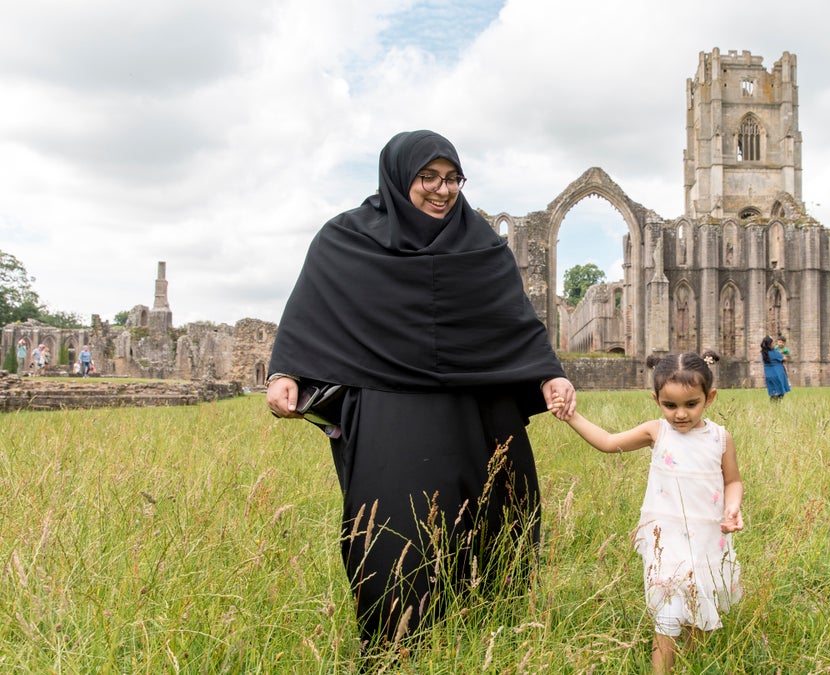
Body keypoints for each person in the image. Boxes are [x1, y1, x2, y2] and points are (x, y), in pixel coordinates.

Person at [266, 130, 577, 652]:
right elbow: (312, 314)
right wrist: (286, 373)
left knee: (491, 531)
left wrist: (550, 374)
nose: (442, 190)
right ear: (398, 178)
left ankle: (482, 649)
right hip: (392, 411)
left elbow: (514, 324)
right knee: (391, 546)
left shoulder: (481, 245)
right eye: (427, 178)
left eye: (453, 178)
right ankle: (395, 655)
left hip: (476, 413)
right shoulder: (347, 239)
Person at [552, 351, 743, 675]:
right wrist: (572, 417)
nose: (680, 414)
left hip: (707, 540)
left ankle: (689, 661)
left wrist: (732, 507)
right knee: (667, 616)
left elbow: (733, 480)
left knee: (698, 606)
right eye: (670, 405)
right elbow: (610, 442)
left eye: (691, 404)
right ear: (656, 399)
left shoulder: (719, 437)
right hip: (665, 542)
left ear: (709, 398)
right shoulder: (658, 432)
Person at [761, 336, 790, 401]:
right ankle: (777, 407)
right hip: (777, 374)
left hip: (768, 375)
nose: (775, 344)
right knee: (780, 393)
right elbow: (784, 358)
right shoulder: (774, 352)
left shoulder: (763, 353)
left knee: (773, 393)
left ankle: (773, 408)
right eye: (773, 343)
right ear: (770, 344)